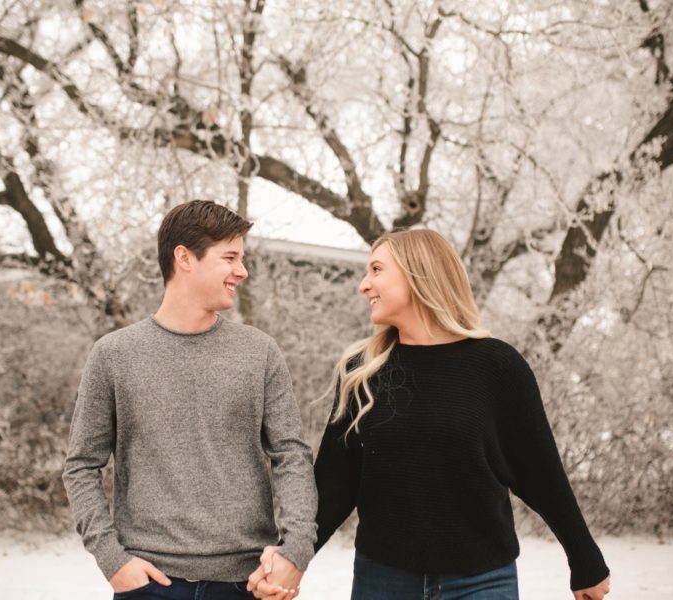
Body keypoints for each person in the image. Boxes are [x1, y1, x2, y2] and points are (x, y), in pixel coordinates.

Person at [249, 228, 611, 600]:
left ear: (417, 273)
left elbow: (541, 472)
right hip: (383, 581)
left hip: (482, 581)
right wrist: (291, 558)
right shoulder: (362, 371)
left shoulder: (498, 367)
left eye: (376, 270)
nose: (363, 285)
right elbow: (335, 485)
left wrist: (584, 558)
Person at [63, 200, 316, 600]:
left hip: (246, 582)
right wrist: (112, 560)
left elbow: (292, 456)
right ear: (184, 257)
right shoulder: (113, 355)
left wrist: (296, 550)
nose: (242, 271)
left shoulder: (259, 352)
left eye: (242, 258)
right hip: (149, 583)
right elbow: (80, 465)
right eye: (230, 257)